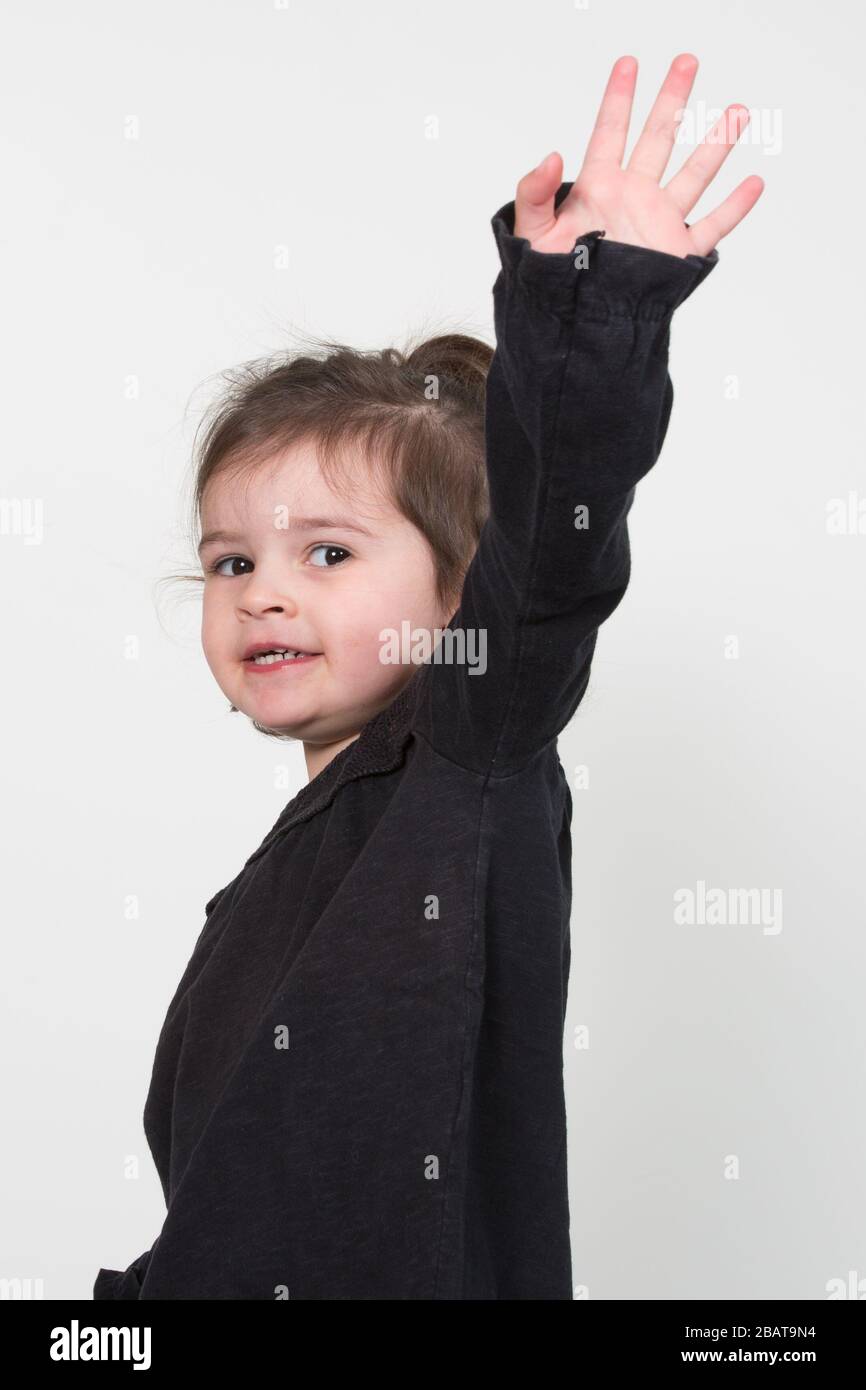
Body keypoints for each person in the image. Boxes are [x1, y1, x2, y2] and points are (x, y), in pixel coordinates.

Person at [94, 51, 763, 1299]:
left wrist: (592, 305)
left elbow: (551, 549)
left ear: (457, 595)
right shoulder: (282, 877)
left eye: (329, 551)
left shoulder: (469, 743)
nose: (265, 591)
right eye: (231, 559)